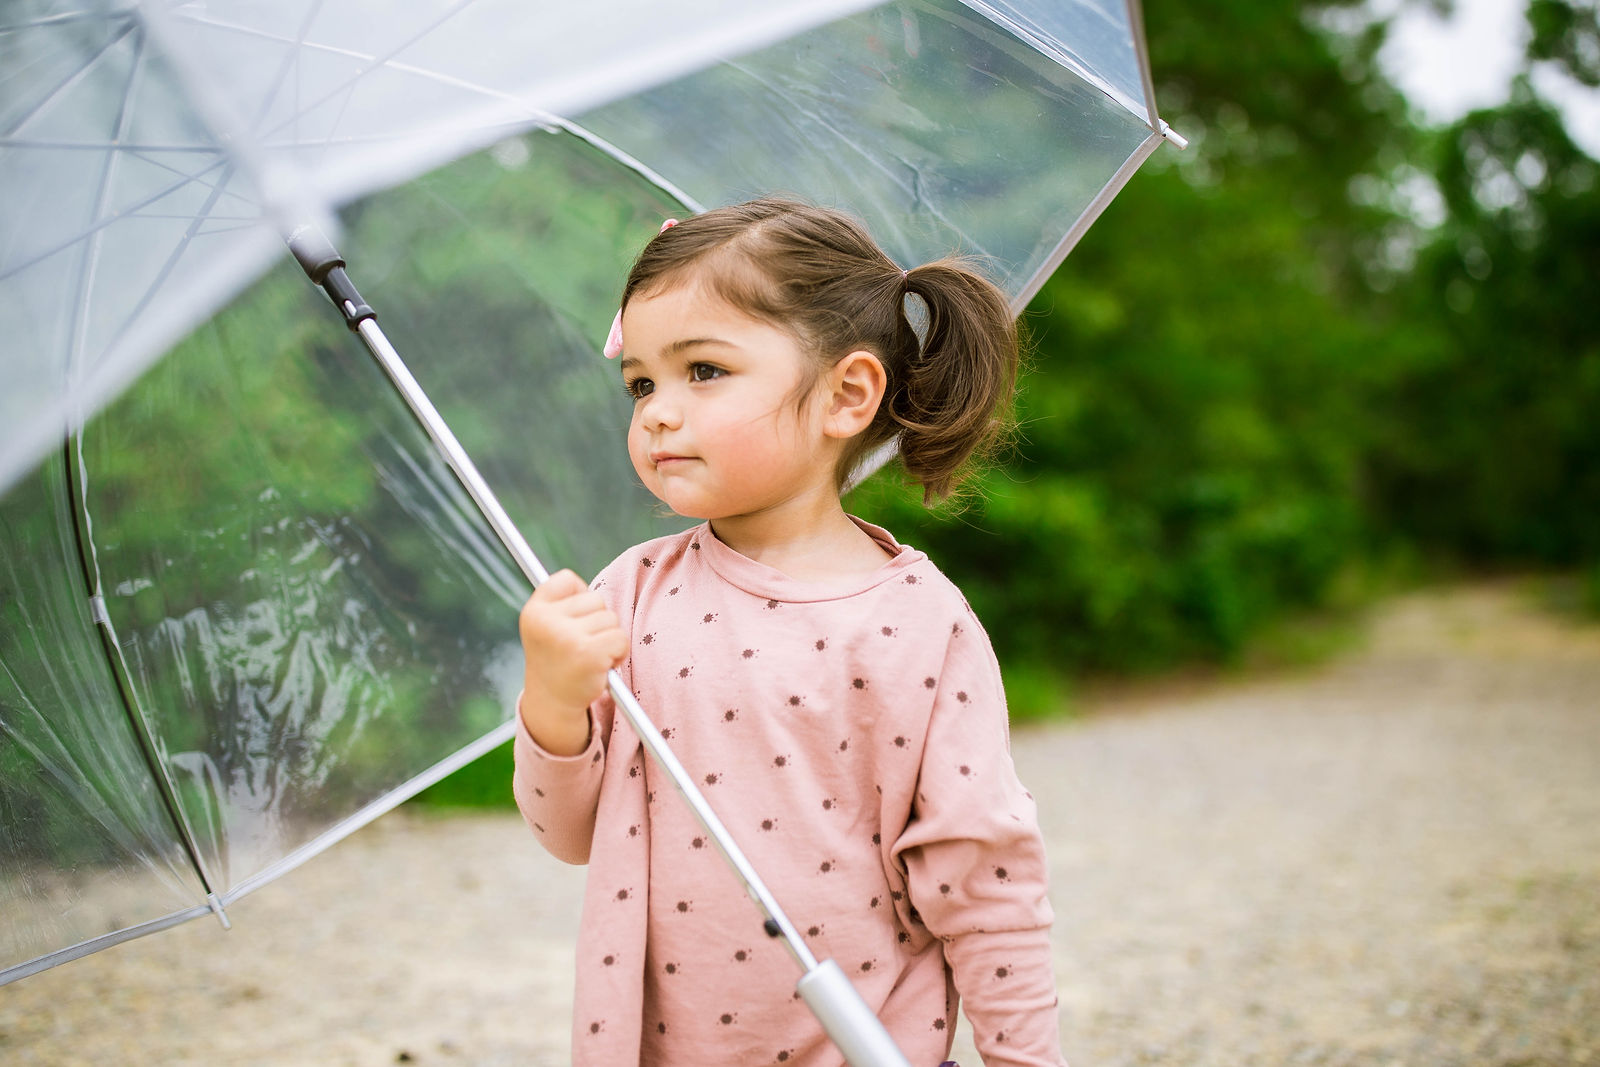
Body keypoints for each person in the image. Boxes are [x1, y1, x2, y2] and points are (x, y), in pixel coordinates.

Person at [513, 198, 1066, 1066]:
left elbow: (985, 881)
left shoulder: (918, 625)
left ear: (846, 394)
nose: (657, 411)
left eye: (703, 370)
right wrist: (551, 699)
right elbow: (568, 834)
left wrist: (1023, 1059)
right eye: (642, 383)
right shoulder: (630, 596)